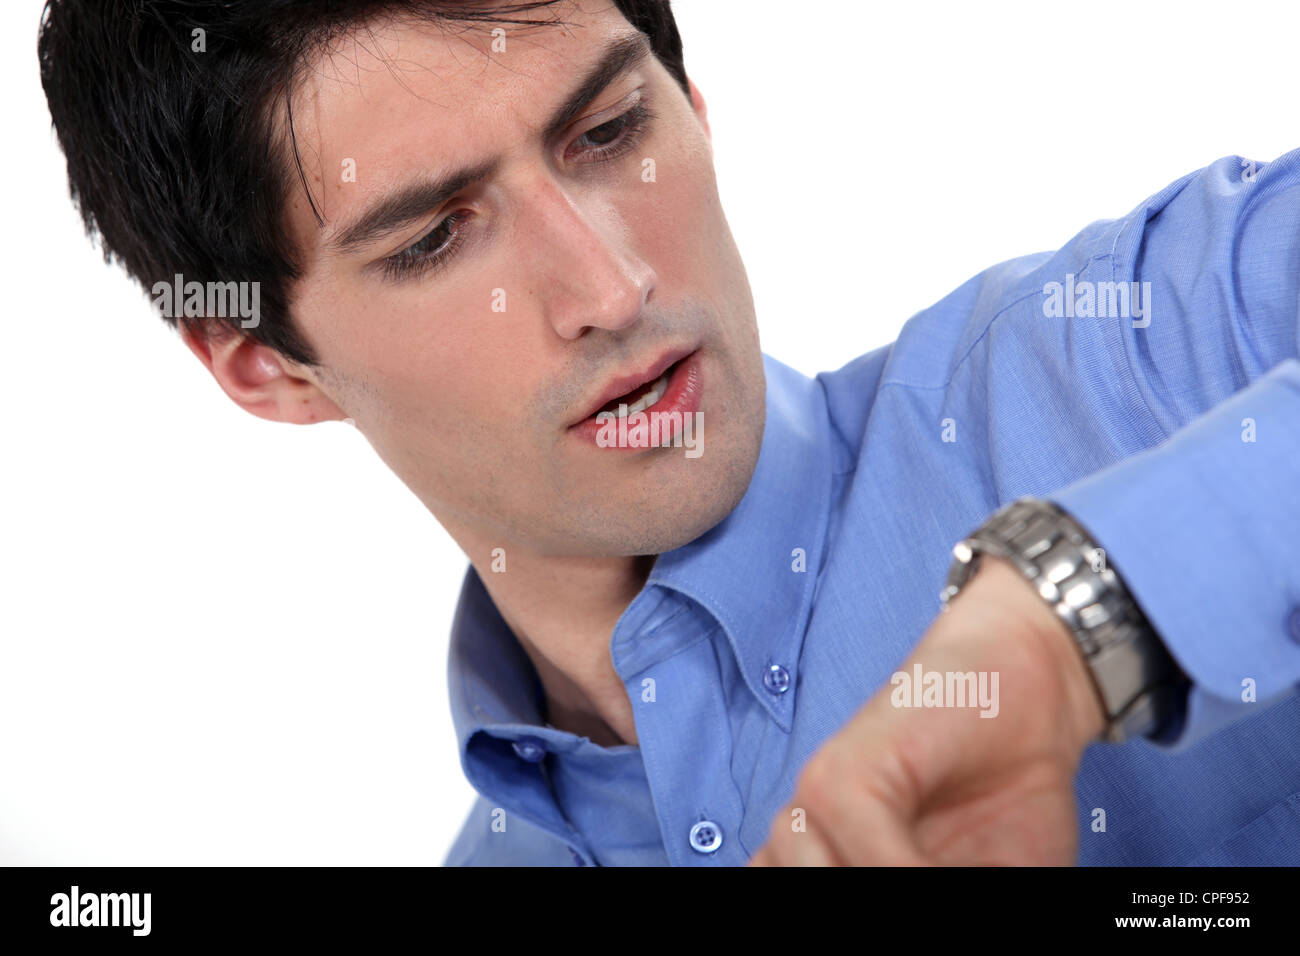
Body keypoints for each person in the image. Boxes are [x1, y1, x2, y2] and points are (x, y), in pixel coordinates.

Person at [37, 0, 1300, 866]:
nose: (609, 288)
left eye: (609, 132)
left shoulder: (1146, 347)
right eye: (432, 238)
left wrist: (1069, 622)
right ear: (269, 368)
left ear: (692, 102)